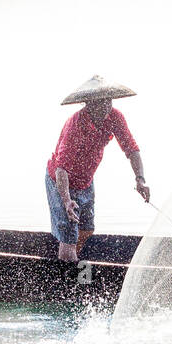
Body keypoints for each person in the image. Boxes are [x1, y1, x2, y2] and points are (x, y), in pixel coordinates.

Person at [46, 75, 150, 262]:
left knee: (87, 229)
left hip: (86, 181)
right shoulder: (76, 125)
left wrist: (140, 179)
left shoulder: (115, 117)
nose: (106, 107)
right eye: (100, 102)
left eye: (108, 101)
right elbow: (61, 169)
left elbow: (132, 150)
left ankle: (72, 260)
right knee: (69, 234)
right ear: (88, 104)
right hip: (61, 181)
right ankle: (67, 268)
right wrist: (67, 201)